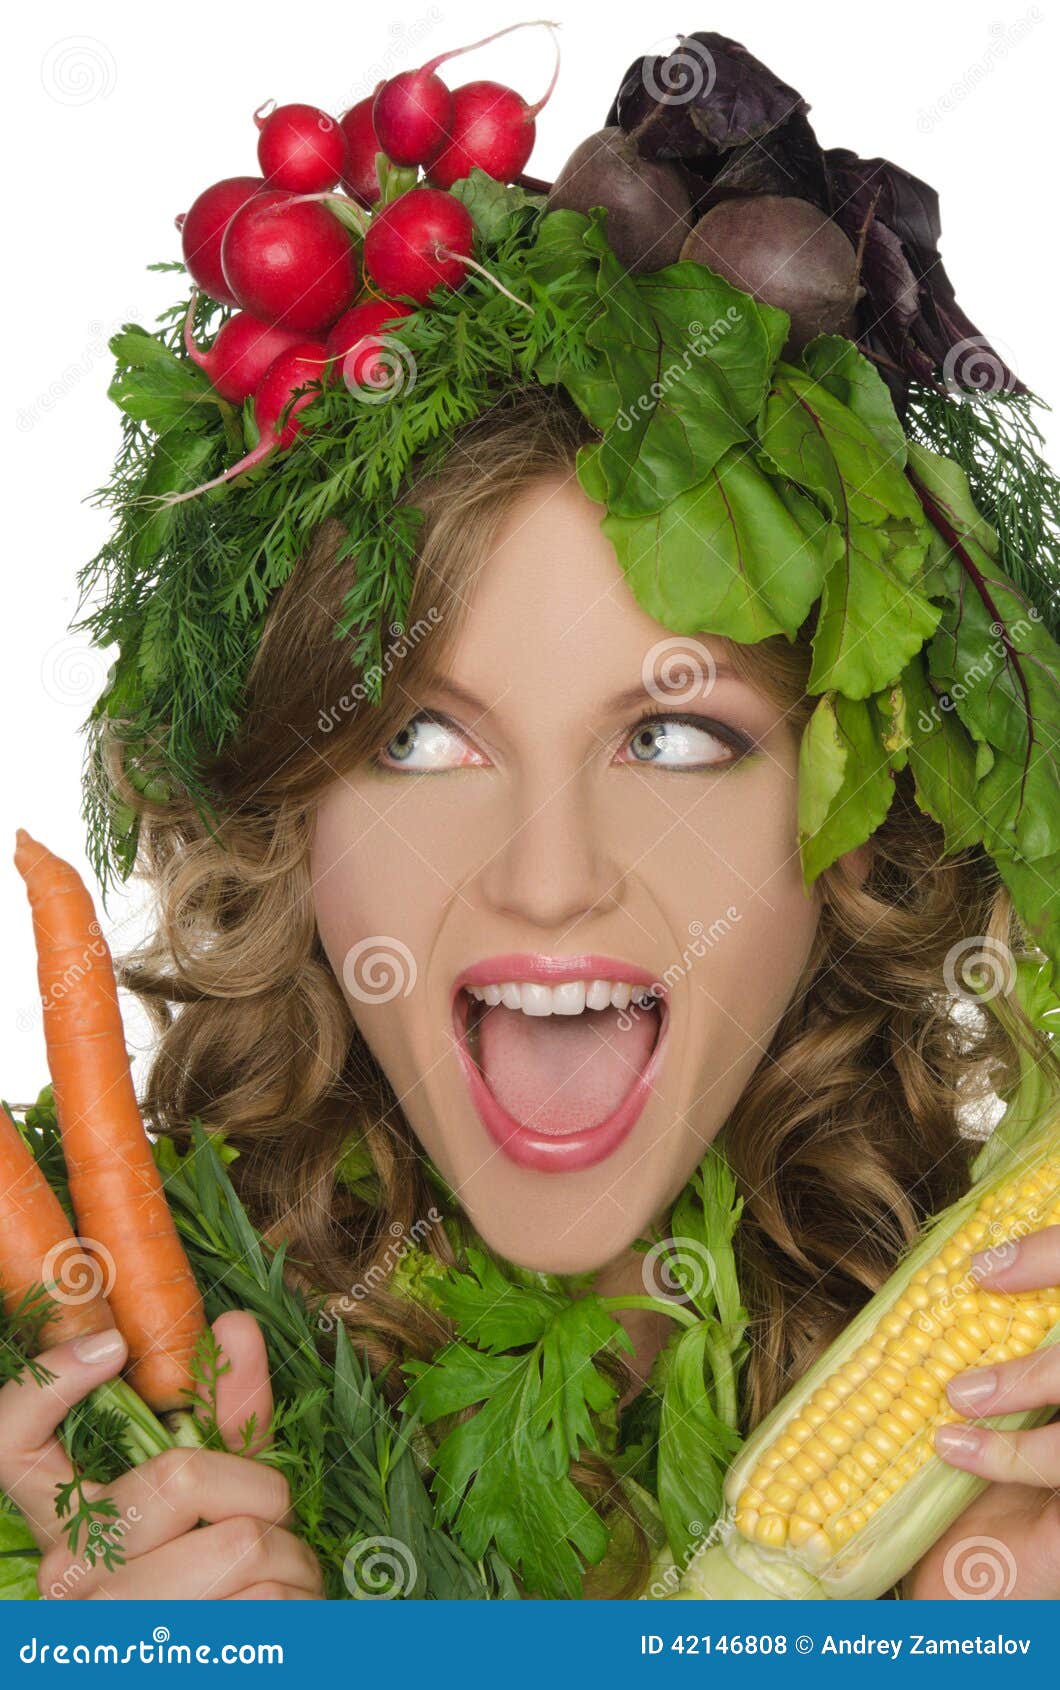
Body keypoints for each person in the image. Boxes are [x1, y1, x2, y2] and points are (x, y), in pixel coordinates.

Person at [3, 384, 1058, 1600]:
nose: (548, 883)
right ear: (289, 823)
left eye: (669, 736)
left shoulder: (1011, 1458)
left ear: (854, 824)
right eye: (419, 739)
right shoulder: (76, 1438)